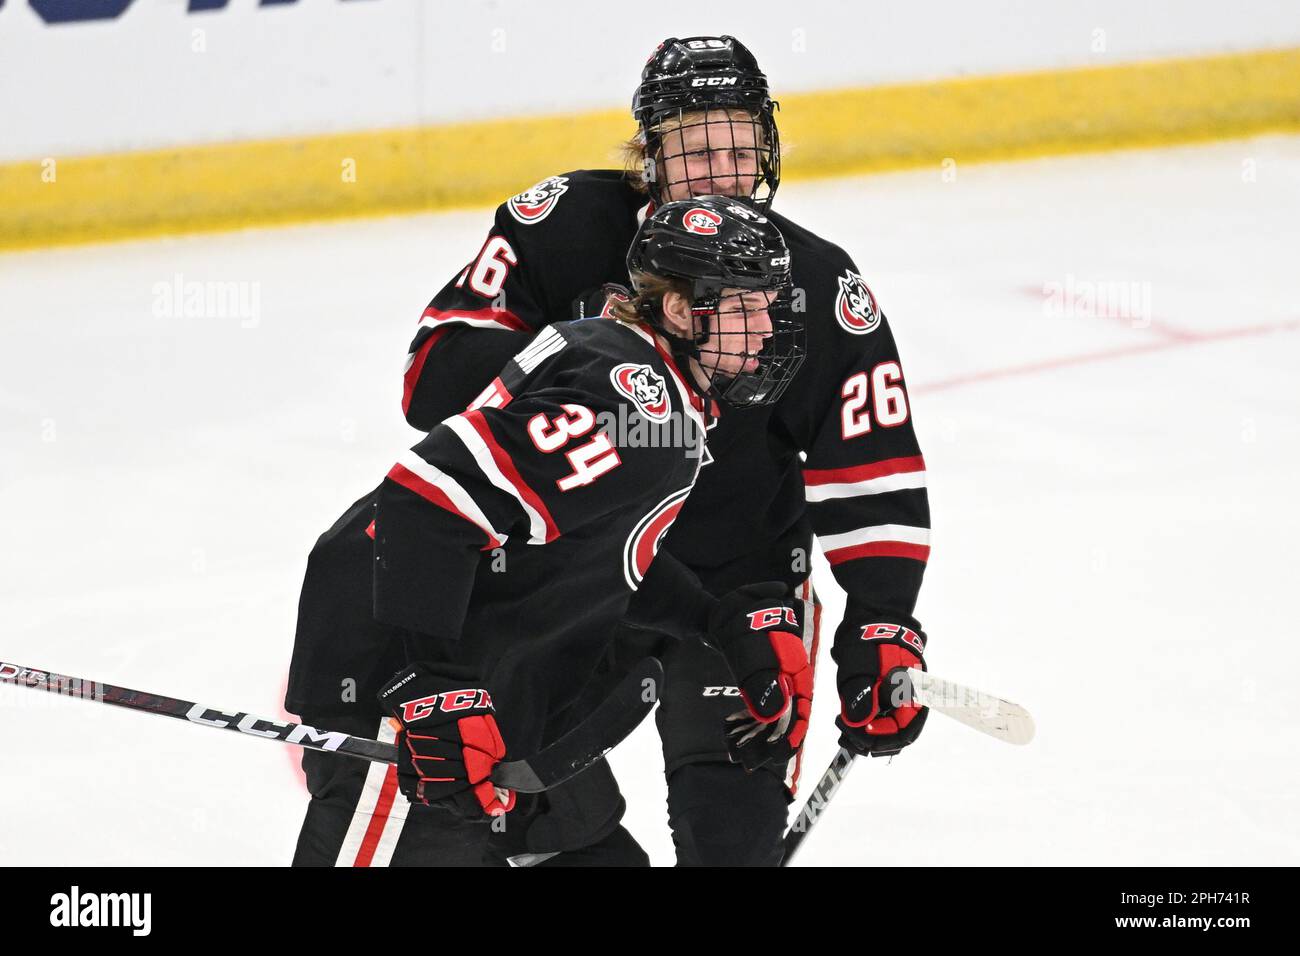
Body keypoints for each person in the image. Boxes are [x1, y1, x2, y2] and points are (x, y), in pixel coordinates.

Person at [399, 35, 933, 866]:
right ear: (649, 156)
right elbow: (430, 384)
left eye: (738, 142)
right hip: (576, 582)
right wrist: (574, 336)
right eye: (693, 145)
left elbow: (872, 466)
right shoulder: (564, 227)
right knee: (528, 820)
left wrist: (883, 620)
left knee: (732, 839)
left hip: (736, 595)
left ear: (767, 148)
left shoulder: (820, 282)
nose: (720, 167)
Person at [285, 196, 807, 866]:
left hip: (508, 713)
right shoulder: (639, 406)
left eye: (764, 304)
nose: (763, 328)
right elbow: (429, 499)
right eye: (741, 309)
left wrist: (715, 618)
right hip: (411, 716)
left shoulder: (654, 386)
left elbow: (587, 550)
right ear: (679, 312)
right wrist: (430, 686)